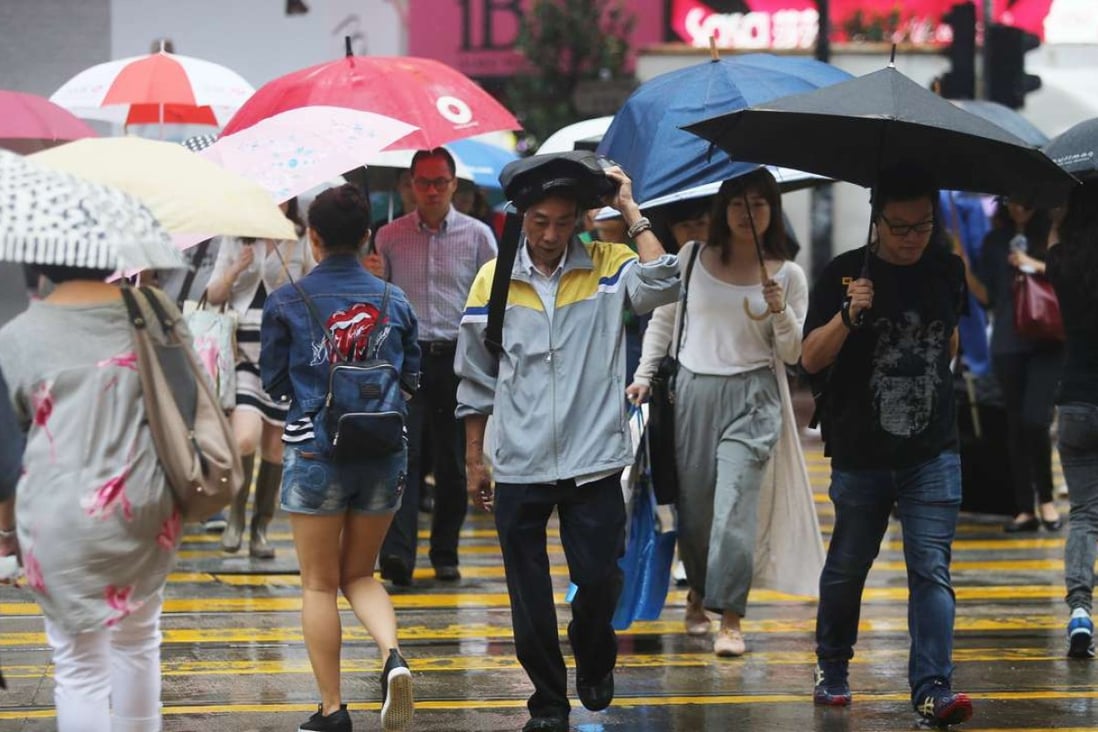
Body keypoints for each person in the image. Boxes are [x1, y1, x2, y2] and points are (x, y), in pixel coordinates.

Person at [456, 162, 680, 732]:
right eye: (538, 222)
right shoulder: (494, 279)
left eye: (561, 223)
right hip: (519, 460)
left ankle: (593, 648)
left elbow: (665, 282)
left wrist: (629, 208)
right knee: (528, 599)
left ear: (581, 220)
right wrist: (474, 456)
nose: (550, 235)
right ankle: (548, 704)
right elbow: (477, 376)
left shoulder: (610, 267)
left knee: (600, 580)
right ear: (521, 219)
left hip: (594, 460)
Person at [803, 164, 974, 726]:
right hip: (860, 452)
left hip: (933, 450)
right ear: (877, 220)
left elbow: (949, 341)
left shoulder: (947, 271)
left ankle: (933, 686)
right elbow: (808, 359)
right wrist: (851, 315)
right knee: (850, 566)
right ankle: (832, 664)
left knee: (932, 569)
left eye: (922, 225)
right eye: (899, 227)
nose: (910, 238)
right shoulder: (844, 274)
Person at [627, 169, 808, 657]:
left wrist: (779, 310)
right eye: (738, 203)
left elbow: (794, 354)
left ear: (773, 210)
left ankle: (730, 617)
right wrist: (644, 375)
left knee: (735, 508)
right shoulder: (690, 260)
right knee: (699, 513)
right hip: (692, 394)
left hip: (753, 399)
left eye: (760, 203)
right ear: (723, 210)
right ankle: (699, 592)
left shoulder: (787, 275)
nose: (749, 213)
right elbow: (663, 320)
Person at [260, 184, 419, 732]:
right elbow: (412, 376)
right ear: (368, 236)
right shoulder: (392, 300)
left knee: (319, 584)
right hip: (384, 453)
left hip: (315, 453)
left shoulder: (285, 300)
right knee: (361, 574)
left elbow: (275, 381)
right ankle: (391, 656)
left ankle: (332, 710)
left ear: (314, 236)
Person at [0, 265, 185, 731]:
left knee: (79, 666)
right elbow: (188, 401)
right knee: (138, 641)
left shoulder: (16, 337)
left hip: (56, 518)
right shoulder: (151, 310)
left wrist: (5, 536)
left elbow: (7, 458)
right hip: (144, 505)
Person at [374, 147, 497, 585]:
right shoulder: (387, 237)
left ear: (453, 185)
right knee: (401, 460)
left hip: (458, 360)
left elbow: (493, 302)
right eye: (422, 182)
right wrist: (372, 275)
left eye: (439, 182)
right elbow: (378, 304)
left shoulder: (479, 236)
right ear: (409, 185)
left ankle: (445, 551)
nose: (430, 190)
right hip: (406, 360)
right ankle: (398, 557)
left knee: (454, 462)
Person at [206, 200, 314, 558]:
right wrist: (237, 268)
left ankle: (260, 528)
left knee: (275, 448)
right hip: (243, 353)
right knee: (245, 439)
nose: (275, 198)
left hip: (283, 354)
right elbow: (214, 295)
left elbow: (315, 286)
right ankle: (236, 517)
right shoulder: (236, 238)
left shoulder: (299, 238)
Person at [972, 197, 1064, 532]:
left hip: (1048, 340)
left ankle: (1048, 500)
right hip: (1008, 342)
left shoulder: (1052, 235)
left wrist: (1032, 262)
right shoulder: (994, 241)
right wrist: (963, 263)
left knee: (1035, 420)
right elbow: (986, 297)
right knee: (1014, 425)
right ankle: (1024, 507)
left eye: (1024, 200)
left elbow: (1067, 275)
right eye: (1010, 200)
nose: (1018, 207)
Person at [1046, 181, 1098, 659]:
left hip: (1077, 400)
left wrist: (1060, 221)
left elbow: (1052, 251)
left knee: (1084, 514)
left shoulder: (1063, 262)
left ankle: (1080, 608)